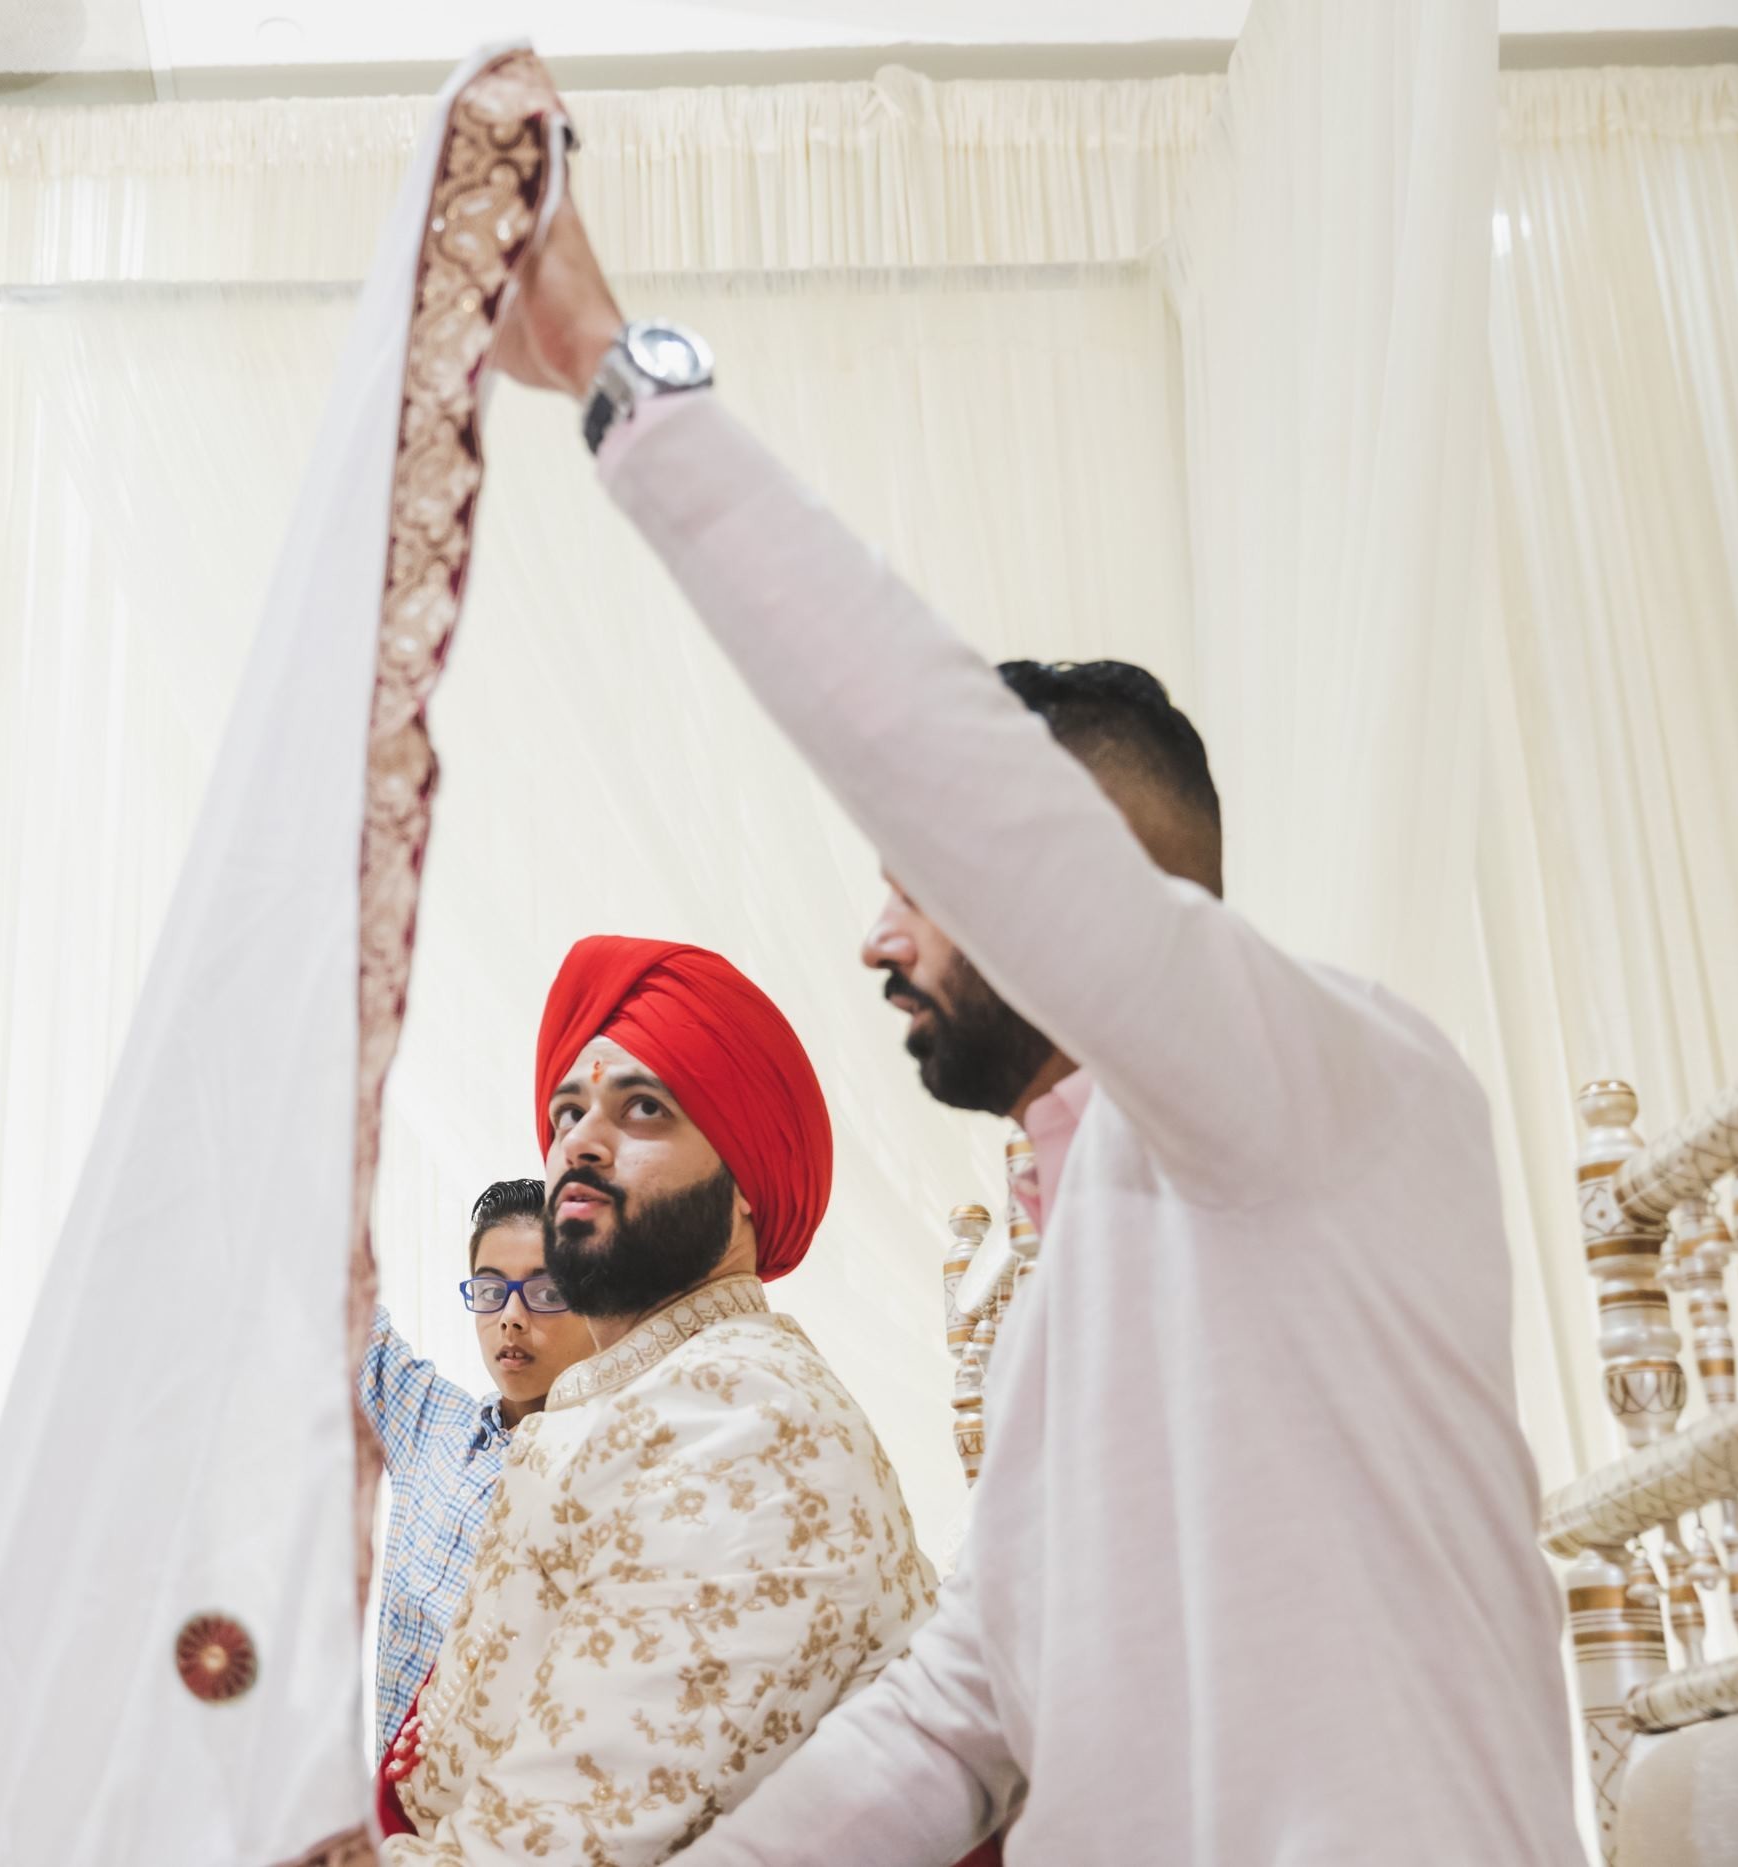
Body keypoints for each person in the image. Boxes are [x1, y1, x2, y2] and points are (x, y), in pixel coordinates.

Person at [488, 197, 1583, 1864]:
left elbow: (947, 764)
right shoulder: (1082, 1271)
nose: (875, 935)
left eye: (915, 877)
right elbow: (964, 1702)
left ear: (1057, 855)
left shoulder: (1338, 1086)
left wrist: (617, 381)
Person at [381, 935, 934, 1863]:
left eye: (642, 1107)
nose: (580, 1141)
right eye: (566, 1111)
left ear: (749, 1186)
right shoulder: (629, 1403)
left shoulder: (752, 1434)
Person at [364, 1177, 597, 1754]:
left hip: (510, 1816)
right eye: (491, 1291)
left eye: (546, 1292)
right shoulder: (435, 1425)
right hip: (392, 1811)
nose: (511, 1318)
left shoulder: (609, 1469)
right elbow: (342, 1306)